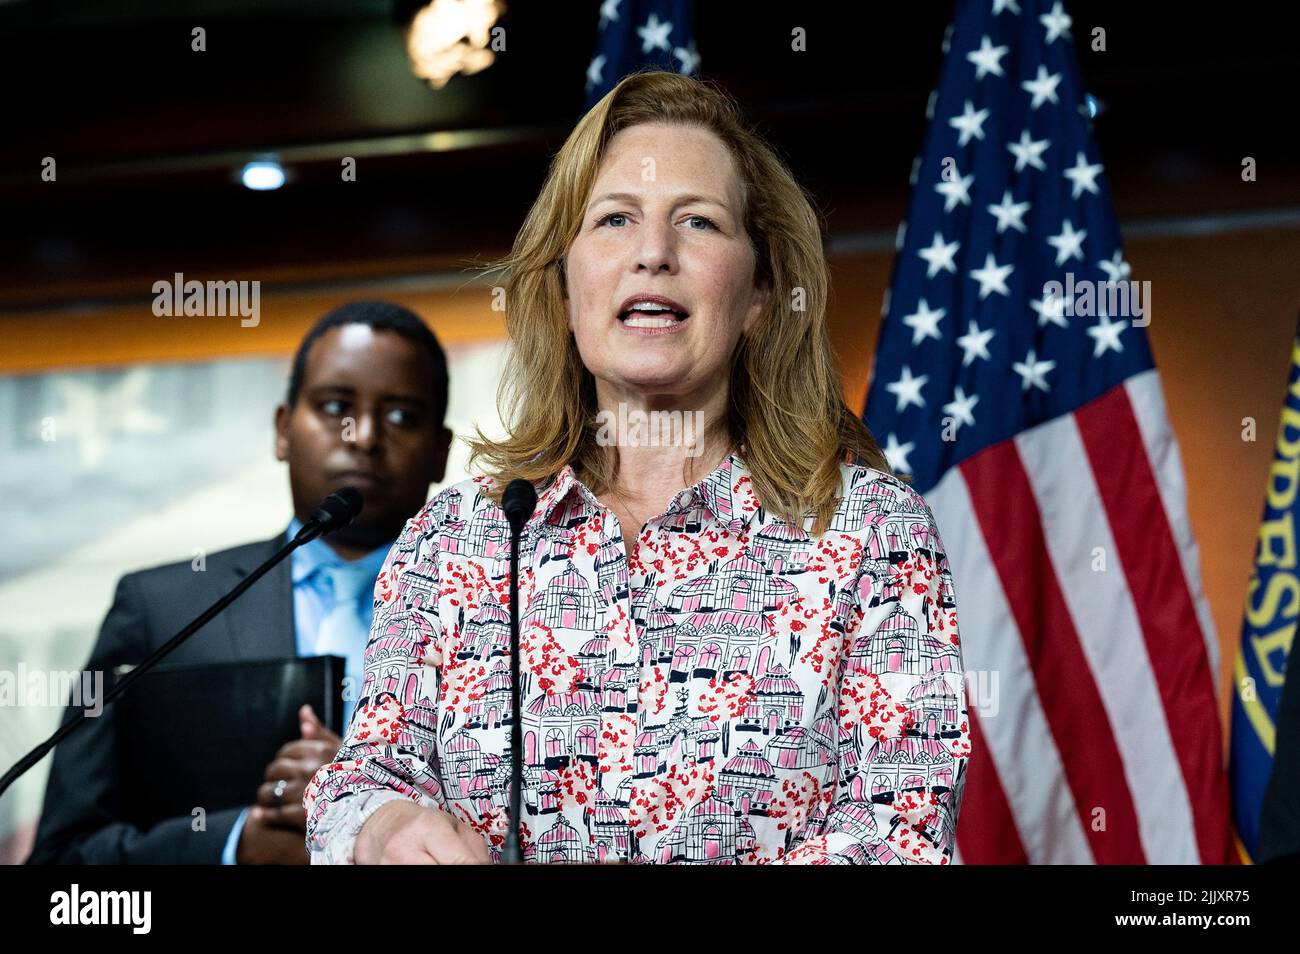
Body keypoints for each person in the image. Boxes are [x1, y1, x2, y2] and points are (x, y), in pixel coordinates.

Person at [304, 71, 970, 865]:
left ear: (759, 293)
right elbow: (364, 773)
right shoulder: (453, 538)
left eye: (698, 222)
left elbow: (901, 832)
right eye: (615, 219)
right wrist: (381, 825)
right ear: (562, 287)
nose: (653, 253)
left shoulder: (873, 532)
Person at [27, 300, 452, 864]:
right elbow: (61, 859)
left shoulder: (505, 618)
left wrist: (378, 809)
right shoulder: (163, 610)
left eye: (402, 416)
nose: (365, 436)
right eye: (334, 406)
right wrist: (235, 845)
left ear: (441, 453)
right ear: (283, 429)